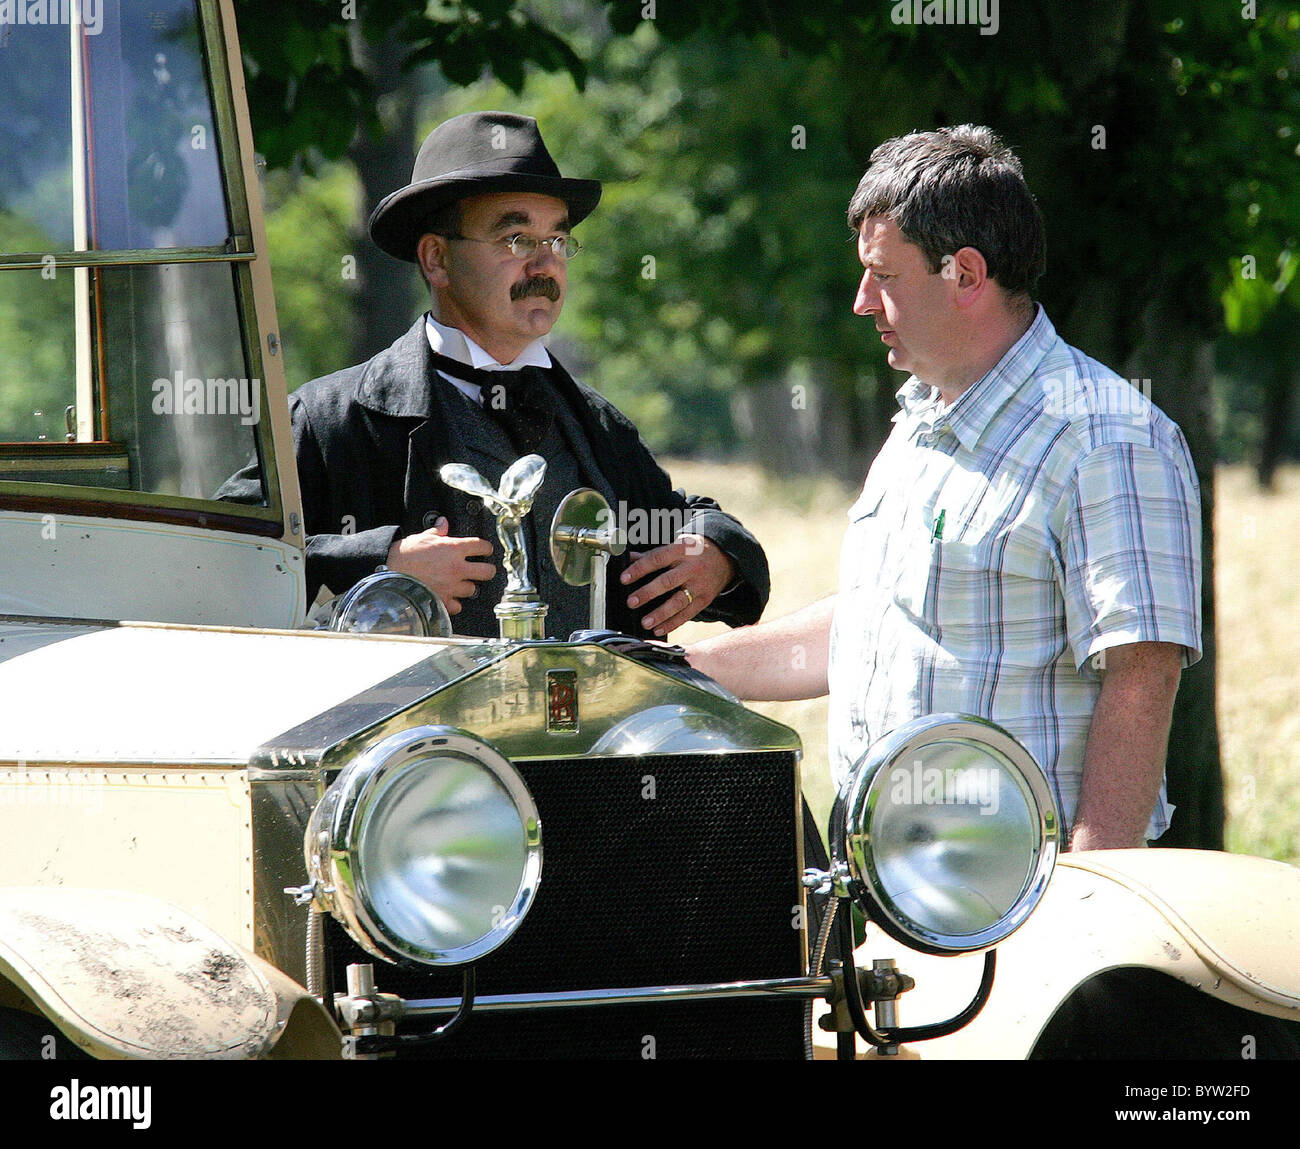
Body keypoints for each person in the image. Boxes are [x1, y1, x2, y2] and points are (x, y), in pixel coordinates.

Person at [688, 125, 1202, 851]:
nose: (863, 301)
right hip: (901, 885)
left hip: (1021, 897)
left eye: (885, 275)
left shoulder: (1108, 438)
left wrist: (1091, 902)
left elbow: (1140, 682)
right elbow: (880, 623)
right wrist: (687, 673)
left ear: (964, 273)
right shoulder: (922, 419)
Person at [225, 111, 768, 638]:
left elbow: (685, 525)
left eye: (557, 240)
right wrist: (380, 562)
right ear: (437, 259)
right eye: (516, 239)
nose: (545, 263)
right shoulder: (329, 419)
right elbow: (217, 556)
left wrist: (716, 556)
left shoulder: (598, 425)